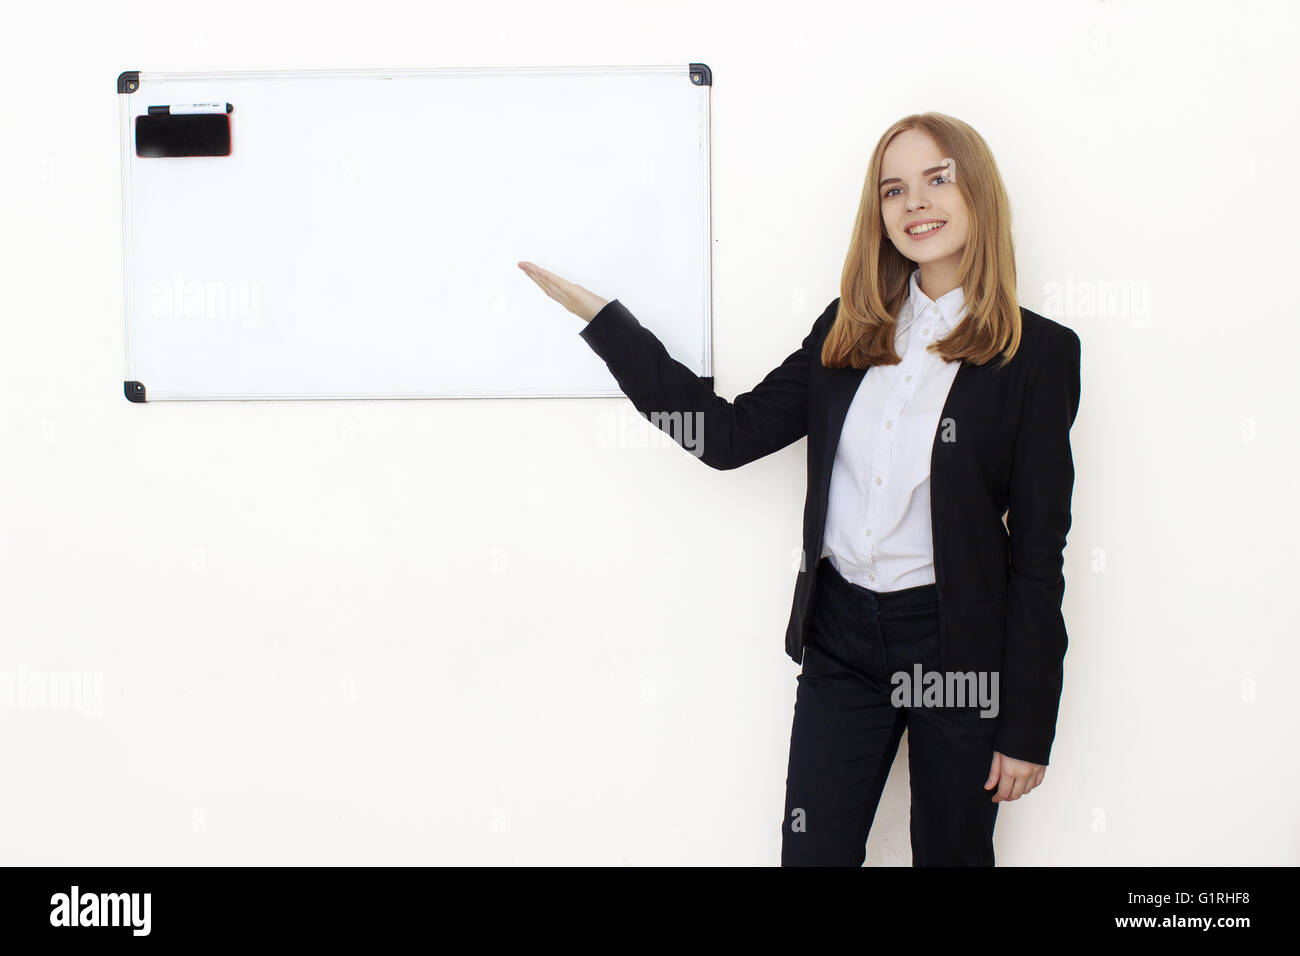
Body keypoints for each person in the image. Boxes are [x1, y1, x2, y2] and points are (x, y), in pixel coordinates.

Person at [518, 112, 1082, 866]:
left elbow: (1040, 555)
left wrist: (1026, 726)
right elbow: (726, 438)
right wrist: (607, 325)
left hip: (955, 648)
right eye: (893, 189)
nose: (914, 202)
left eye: (937, 179)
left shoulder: (1037, 352)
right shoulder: (849, 328)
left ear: (977, 190)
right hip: (842, 641)